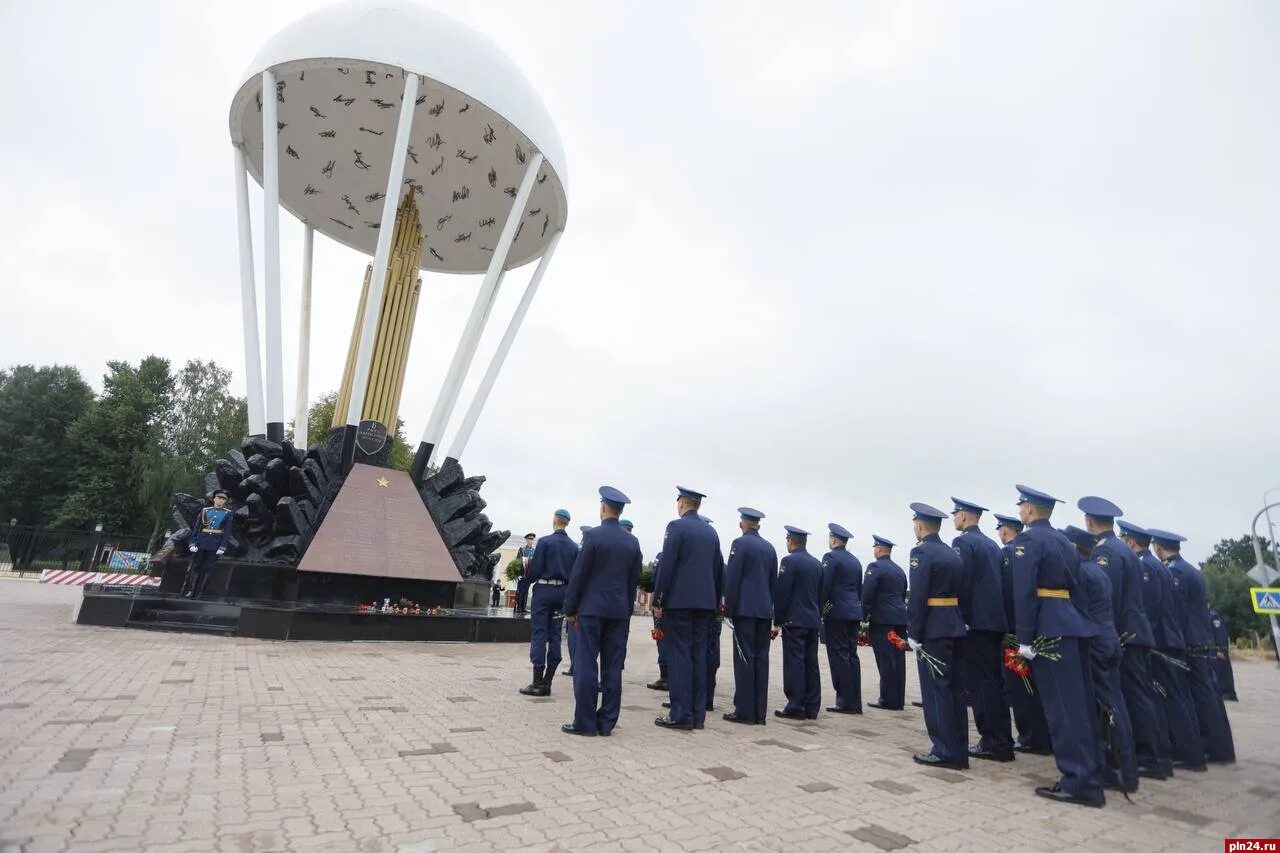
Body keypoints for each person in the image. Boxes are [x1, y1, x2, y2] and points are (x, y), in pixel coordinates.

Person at [1008, 485, 1104, 808]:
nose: (1019, 508)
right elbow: (1077, 587)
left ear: (1031, 510)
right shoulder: (1064, 541)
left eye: (1021, 504)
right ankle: (1088, 774)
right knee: (1077, 706)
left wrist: (1024, 638)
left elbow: (1024, 593)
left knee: (1061, 709)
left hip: (1048, 628)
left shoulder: (1027, 541)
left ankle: (1079, 782)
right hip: (1071, 624)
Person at [1078, 497, 1168, 782]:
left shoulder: (1105, 554)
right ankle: (1148, 758)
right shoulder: (1123, 550)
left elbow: (1106, 599)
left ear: (1089, 521)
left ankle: (1137, 760)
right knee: (1137, 698)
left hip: (1122, 635)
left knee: (1126, 700)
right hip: (1134, 633)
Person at [1118, 520, 1204, 773]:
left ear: (1130, 542)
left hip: (1161, 641)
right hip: (1169, 639)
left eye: (1124, 540)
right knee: (1174, 697)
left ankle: (1173, 755)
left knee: (1166, 698)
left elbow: (1148, 608)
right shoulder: (1160, 566)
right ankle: (1185, 753)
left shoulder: (1145, 566)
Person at [1148, 528, 1236, 765]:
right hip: (1201, 640)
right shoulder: (1191, 570)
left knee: (1198, 697)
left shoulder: (1175, 573)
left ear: (1158, 547)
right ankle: (1219, 749)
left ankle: (1206, 749)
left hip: (1188, 642)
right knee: (1209, 696)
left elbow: (1173, 610)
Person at [561, 487, 643, 737]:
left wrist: (570, 608)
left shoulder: (594, 537)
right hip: (618, 613)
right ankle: (607, 722)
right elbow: (633, 580)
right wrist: (626, 611)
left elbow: (579, 575)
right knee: (613, 667)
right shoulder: (632, 541)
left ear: (603, 508)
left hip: (591, 611)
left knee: (586, 664)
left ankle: (584, 722)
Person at [1063, 525, 1137, 795]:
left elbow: (1077, 612)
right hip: (1109, 639)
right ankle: (1124, 770)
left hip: (1095, 644)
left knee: (1108, 709)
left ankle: (1117, 772)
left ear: (1072, 547)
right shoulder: (1097, 570)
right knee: (1114, 705)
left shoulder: (1081, 573)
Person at [653, 486, 723, 731]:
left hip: (680, 603)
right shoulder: (711, 532)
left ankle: (680, 713)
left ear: (682, 503)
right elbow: (718, 571)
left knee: (680, 656)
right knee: (698, 656)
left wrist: (658, 599)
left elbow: (667, 567)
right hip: (705, 605)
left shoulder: (676, 527)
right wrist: (714, 603)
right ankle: (697, 714)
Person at [906, 503, 968, 770]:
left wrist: (914, 633)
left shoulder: (921, 552)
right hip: (953, 624)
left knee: (935, 691)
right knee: (953, 690)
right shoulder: (952, 553)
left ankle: (944, 750)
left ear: (920, 525)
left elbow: (918, 596)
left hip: (932, 627)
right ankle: (959, 749)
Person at [950, 498, 1012, 762]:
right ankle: (1002, 740)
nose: (954, 519)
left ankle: (992, 742)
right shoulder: (992, 545)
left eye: (955, 514)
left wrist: (961, 617)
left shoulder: (963, 543)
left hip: (975, 623)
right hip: (995, 622)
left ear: (964, 516)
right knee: (995, 683)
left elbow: (961, 582)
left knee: (980, 685)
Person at [995, 513, 1050, 755]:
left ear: (1006, 531)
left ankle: (1030, 736)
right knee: (1034, 685)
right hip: (1038, 624)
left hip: (1016, 628)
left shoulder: (1009, 552)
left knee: (1020, 686)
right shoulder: (1034, 547)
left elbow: (1008, 592)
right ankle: (1040, 734)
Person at [723, 507, 778, 725]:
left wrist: (729, 610)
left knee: (744, 660)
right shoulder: (770, 548)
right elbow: (773, 582)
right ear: (759, 525)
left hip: (745, 611)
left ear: (742, 523)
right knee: (760, 660)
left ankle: (744, 711)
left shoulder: (740, 544)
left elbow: (733, 580)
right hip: (764, 611)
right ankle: (759, 712)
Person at [518, 509, 578, 697]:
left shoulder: (544, 542)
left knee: (539, 633)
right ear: (567, 523)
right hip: (563, 593)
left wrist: (525, 581)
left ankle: (537, 682)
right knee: (555, 635)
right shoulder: (573, 547)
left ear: (554, 520)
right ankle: (548, 681)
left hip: (544, 592)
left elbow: (535, 569)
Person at [774, 525, 823, 720]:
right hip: (812, 620)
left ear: (790, 540)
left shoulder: (789, 561)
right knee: (811, 663)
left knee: (795, 662)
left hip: (794, 620)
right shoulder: (817, 564)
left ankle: (795, 705)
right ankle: (812, 706)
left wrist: (778, 618)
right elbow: (821, 594)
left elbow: (782, 592)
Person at [820, 523, 863, 714]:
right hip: (853, 612)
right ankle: (854, 701)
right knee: (851, 655)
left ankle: (844, 700)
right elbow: (859, 590)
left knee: (839, 656)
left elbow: (825, 587)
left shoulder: (830, 557)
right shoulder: (855, 561)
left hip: (836, 613)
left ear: (834, 539)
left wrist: (821, 610)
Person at [863, 535, 908, 711]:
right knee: (898, 658)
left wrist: (865, 614)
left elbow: (868, 593)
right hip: (899, 618)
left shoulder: (875, 567)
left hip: (883, 620)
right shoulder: (899, 570)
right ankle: (898, 698)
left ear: (879, 550)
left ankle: (888, 699)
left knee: (885, 659)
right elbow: (903, 592)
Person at [183, 489, 234, 598]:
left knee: (208, 568)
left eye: (223, 499)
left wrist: (223, 546)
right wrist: (192, 543)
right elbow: (197, 528)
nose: (220, 501)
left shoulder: (227, 513)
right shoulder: (205, 511)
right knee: (196, 567)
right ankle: (192, 590)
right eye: (219, 498)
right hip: (202, 542)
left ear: (225, 501)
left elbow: (227, 532)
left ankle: (201, 592)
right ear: (214, 499)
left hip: (215, 544)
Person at [647, 552, 669, 691]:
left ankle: (665, 678)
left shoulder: (663, 556)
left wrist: (655, 602)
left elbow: (657, 580)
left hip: (664, 605)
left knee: (662, 640)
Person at [1209, 608, 1237, 701]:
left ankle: (1228, 694)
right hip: (1212, 650)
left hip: (1218, 651)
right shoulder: (1205, 614)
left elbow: (1220, 633)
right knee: (1216, 673)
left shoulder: (1213, 615)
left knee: (1222, 673)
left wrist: (1221, 649)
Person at [515, 533, 536, 615]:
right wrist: (517, 573)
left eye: (532, 539)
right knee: (520, 590)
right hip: (522, 573)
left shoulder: (534, 551)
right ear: (526, 540)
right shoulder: (522, 549)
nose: (530, 541)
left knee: (526, 591)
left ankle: (523, 607)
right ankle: (519, 607)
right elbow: (517, 561)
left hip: (529, 574)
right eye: (529, 539)